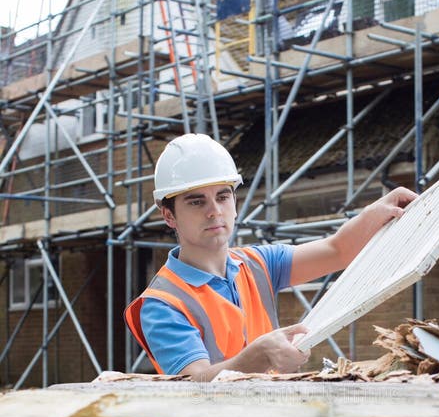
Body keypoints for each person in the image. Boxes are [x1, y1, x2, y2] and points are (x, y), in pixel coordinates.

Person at [124, 133, 417, 381]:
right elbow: (195, 384)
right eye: (196, 201)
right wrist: (259, 356)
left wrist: (374, 213)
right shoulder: (162, 304)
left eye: (223, 196)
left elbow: (337, 250)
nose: (214, 210)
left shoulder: (258, 264)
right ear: (168, 215)